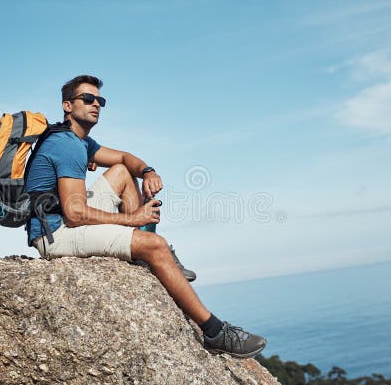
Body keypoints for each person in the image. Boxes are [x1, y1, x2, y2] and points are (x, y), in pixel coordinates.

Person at [26, 74, 266, 358]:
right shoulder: (66, 145)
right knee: (156, 246)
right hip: (55, 235)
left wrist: (148, 172)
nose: (96, 105)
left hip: (62, 221)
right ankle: (215, 332)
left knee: (122, 172)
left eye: (100, 100)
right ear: (67, 106)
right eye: (87, 99)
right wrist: (133, 220)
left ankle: (143, 253)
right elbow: (75, 213)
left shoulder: (80, 142)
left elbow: (124, 159)